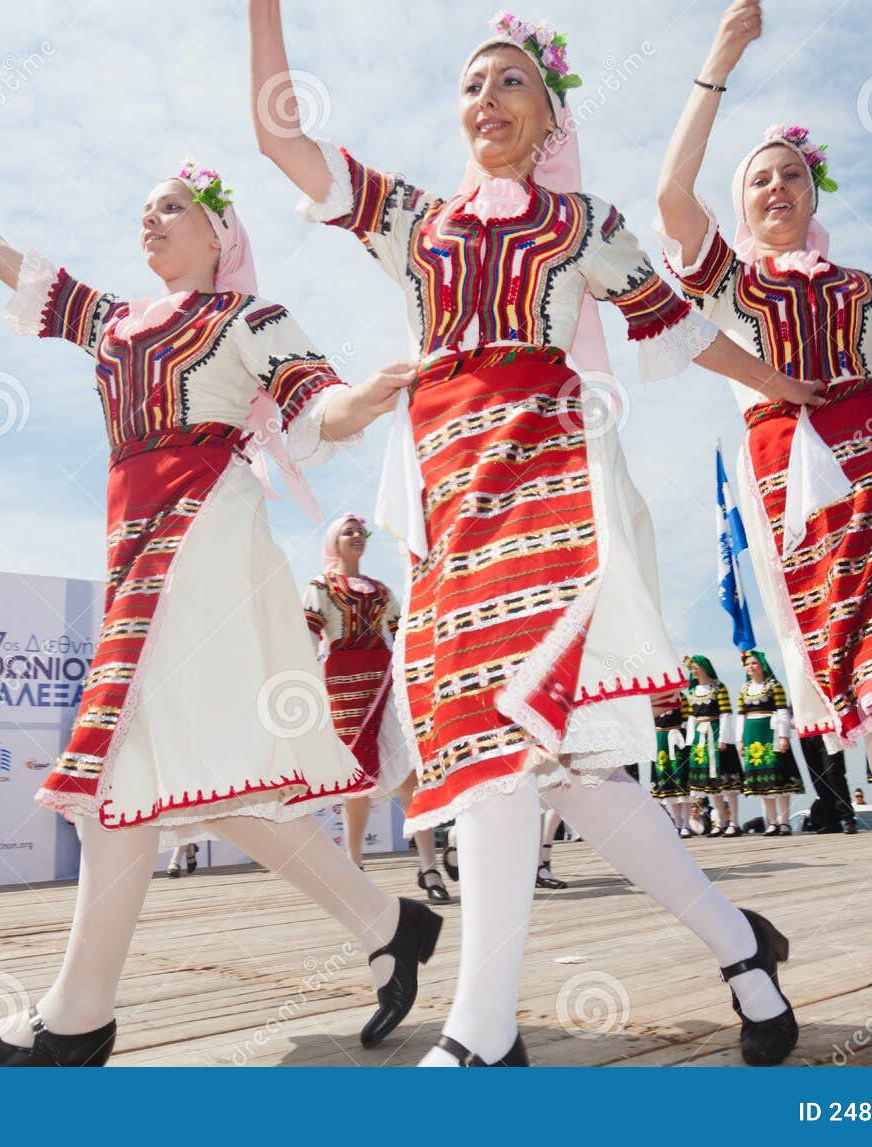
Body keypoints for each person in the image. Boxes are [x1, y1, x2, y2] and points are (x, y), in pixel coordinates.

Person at [251, 1, 814, 1066]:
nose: (488, 97)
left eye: (512, 80)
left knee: (503, 740)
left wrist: (785, 385)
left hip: (552, 484)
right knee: (566, 770)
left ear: (550, 114)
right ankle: (742, 945)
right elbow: (282, 139)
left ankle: (481, 1031)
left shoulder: (580, 224)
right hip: (450, 502)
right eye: (472, 82)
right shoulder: (413, 220)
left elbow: (675, 323)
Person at [0, 149, 442, 1065]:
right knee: (191, 778)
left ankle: (76, 1017)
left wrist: (363, 400)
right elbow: (7, 258)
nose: (151, 219)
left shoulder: (247, 317)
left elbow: (317, 406)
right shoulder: (114, 322)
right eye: (146, 209)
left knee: (119, 768)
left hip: (204, 542)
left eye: (172, 206)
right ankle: (384, 924)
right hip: (140, 558)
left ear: (219, 233)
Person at [655, 0, 872, 1005]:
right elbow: (669, 194)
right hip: (796, 505)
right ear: (744, 201)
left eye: (792, 174)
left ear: (815, 193)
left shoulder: (861, 287)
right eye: (759, 177)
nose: (776, 186)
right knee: (871, 709)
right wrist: (720, 57)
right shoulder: (731, 286)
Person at [305, 513, 449, 902]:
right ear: (334, 541)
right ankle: (354, 866)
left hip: (386, 684)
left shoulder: (382, 590)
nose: (357, 536)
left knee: (410, 772)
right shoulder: (320, 587)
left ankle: (429, 867)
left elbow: (403, 636)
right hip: (343, 688)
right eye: (347, 531)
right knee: (357, 780)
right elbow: (308, 639)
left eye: (360, 531)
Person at [736, 650, 803, 835]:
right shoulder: (743, 689)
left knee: (779, 777)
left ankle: (785, 821)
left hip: (771, 733)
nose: (750, 667)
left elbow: (782, 711)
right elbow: (740, 716)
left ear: (762, 665)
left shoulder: (774, 686)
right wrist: (739, 740)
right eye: (747, 664)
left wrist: (783, 736)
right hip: (752, 735)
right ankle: (772, 821)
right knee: (761, 780)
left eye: (754, 663)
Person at [683, 654, 741, 836]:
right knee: (711, 784)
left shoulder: (718, 687)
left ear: (704, 667)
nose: (693, 671)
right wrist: (690, 741)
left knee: (727, 783)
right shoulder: (693, 691)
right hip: (700, 739)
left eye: (695, 667)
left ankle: (734, 823)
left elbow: (725, 713)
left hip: (716, 734)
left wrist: (723, 738)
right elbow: (692, 717)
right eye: (691, 668)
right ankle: (720, 823)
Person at [650, 688, 695, 835]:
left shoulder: (680, 697)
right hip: (660, 740)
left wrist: (687, 742)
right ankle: (678, 824)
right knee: (667, 783)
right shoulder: (653, 698)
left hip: (677, 739)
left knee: (681, 780)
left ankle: (686, 824)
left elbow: (688, 720)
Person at [800, 731, 855, 834]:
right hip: (806, 732)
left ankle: (848, 819)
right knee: (818, 778)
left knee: (834, 774)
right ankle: (832, 822)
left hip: (828, 730)